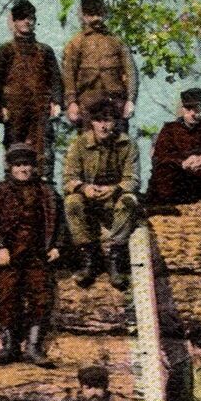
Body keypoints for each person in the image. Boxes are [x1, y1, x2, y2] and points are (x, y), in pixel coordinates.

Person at [0, 143, 61, 367]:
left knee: (41, 296)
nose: (23, 169)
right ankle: (9, 346)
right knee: (6, 294)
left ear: (34, 167)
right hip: (9, 254)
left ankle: (34, 346)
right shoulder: (1, 191)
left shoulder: (46, 191)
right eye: (18, 165)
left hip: (37, 253)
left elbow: (60, 223)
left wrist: (57, 246)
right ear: (10, 168)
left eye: (27, 164)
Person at [62, 97, 142, 290]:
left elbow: (133, 179)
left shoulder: (127, 144)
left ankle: (115, 260)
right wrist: (84, 188)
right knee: (72, 201)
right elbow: (68, 179)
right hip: (90, 200)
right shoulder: (79, 144)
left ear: (115, 122)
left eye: (108, 120)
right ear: (92, 122)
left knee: (129, 200)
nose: (104, 126)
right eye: (99, 120)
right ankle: (89, 258)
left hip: (115, 198)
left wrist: (115, 189)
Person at [0, 0, 64, 180]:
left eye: (30, 18)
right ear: (14, 22)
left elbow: (56, 79)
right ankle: (11, 188)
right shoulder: (5, 51)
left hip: (40, 111)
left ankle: (44, 189)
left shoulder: (44, 51)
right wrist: (0, 107)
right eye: (22, 18)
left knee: (43, 152)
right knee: (14, 151)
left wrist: (56, 102)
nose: (27, 22)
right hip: (14, 113)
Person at [62, 0, 137, 125]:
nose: (96, 18)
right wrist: (71, 103)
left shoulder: (116, 42)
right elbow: (68, 75)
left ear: (104, 14)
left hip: (116, 105)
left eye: (99, 14)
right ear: (83, 16)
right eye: (91, 14)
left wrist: (130, 100)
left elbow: (130, 72)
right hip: (87, 105)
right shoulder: (76, 43)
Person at [148, 88, 201, 207]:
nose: (192, 113)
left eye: (196, 108)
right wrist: (182, 162)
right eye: (188, 109)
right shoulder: (170, 130)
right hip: (178, 182)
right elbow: (158, 157)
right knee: (163, 170)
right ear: (183, 109)